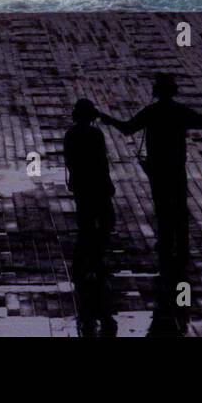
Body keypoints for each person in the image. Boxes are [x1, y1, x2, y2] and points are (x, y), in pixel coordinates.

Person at [100, 73, 202, 277]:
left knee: (163, 207)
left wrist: (108, 119)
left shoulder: (152, 112)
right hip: (176, 167)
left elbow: (128, 128)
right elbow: (201, 122)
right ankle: (182, 247)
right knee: (180, 208)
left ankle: (165, 244)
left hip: (157, 168)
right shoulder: (179, 111)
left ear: (156, 92)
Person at [63, 98, 116, 283]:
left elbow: (69, 160)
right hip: (97, 184)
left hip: (81, 184)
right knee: (106, 220)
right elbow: (101, 161)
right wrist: (107, 182)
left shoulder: (70, 134)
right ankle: (95, 257)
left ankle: (83, 261)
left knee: (85, 223)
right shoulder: (95, 134)